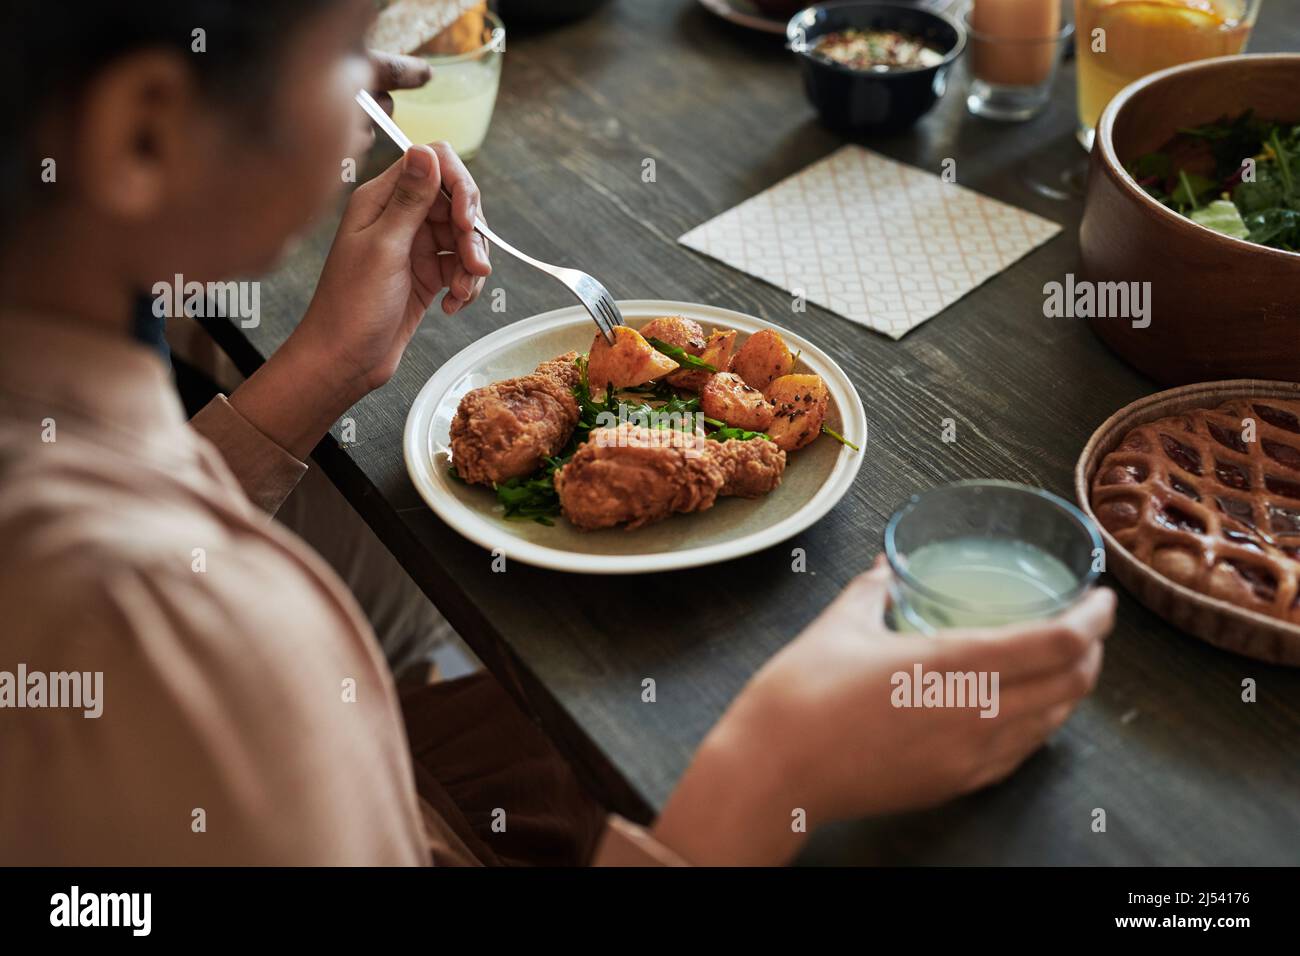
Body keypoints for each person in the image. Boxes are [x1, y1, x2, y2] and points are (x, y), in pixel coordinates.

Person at [0, 0, 1115, 865]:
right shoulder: (177, 634)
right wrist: (765, 773)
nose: (380, 94)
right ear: (142, 131)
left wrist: (312, 381)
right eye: (348, 49)